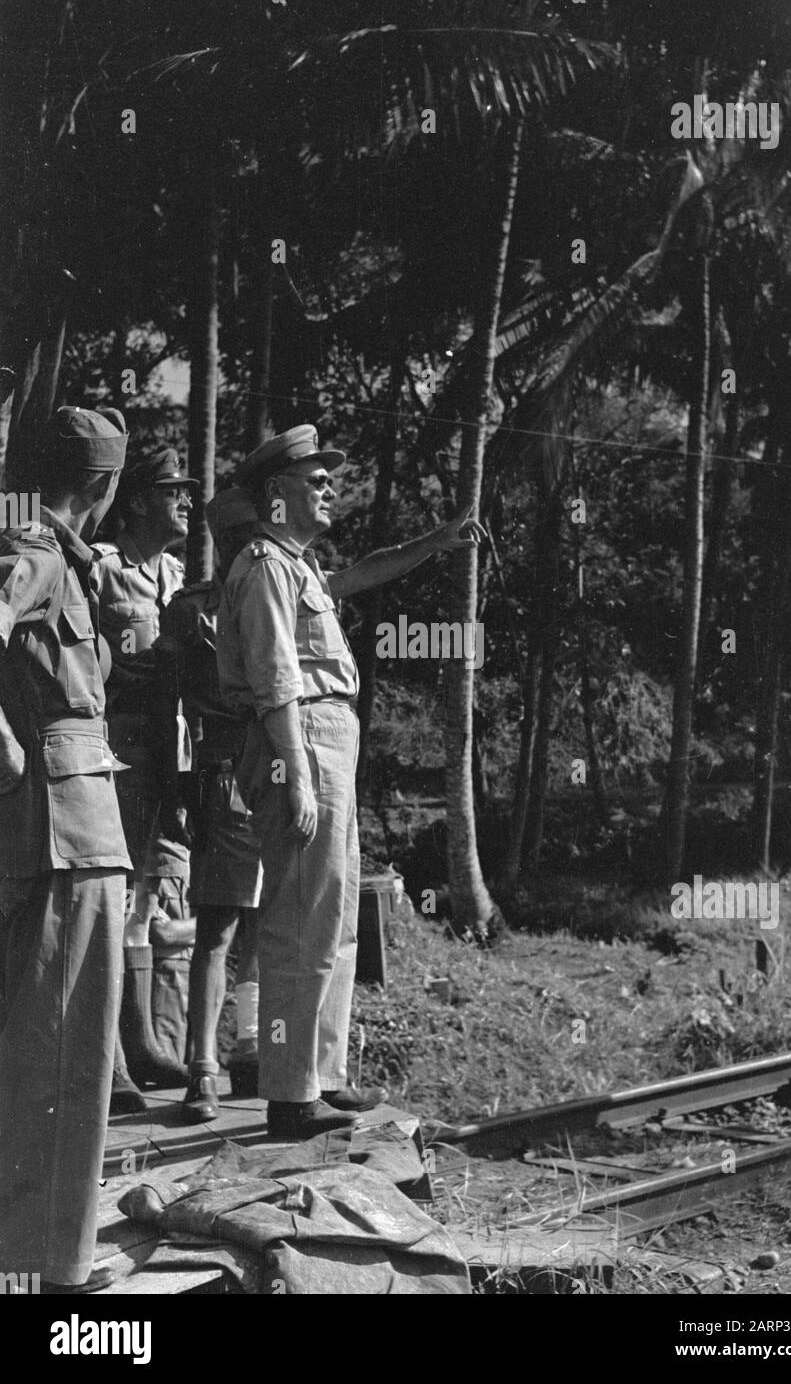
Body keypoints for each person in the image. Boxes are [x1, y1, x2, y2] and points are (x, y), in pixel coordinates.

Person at [218, 423, 484, 1140]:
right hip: (297, 738)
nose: (329, 486)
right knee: (300, 920)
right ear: (277, 493)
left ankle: (320, 1078)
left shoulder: (297, 566)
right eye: (316, 478)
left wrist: (436, 542)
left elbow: (365, 571)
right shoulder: (266, 566)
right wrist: (296, 774)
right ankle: (289, 1093)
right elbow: (275, 678)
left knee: (332, 921)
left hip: (327, 738)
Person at [0, 405, 132, 1293]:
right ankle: (50, 1264)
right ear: (105, 483)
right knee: (64, 1046)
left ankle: (45, 1251)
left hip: (67, 812)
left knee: (49, 1042)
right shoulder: (40, 555)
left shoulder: (60, 556)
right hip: (63, 822)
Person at [93, 449, 197, 1109]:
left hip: (174, 754)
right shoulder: (103, 570)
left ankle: (161, 1046)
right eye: (171, 490)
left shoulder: (180, 576)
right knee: (118, 902)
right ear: (134, 503)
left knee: (163, 899)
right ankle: (118, 1060)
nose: (186, 500)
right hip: (122, 750)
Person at [155, 487, 262, 1125]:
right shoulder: (193, 609)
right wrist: (174, 790)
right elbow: (170, 703)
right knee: (217, 930)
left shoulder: (284, 590)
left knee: (266, 925)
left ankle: (253, 1050)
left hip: (284, 771)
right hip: (226, 777)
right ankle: (203, 1070)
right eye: (244, 537)